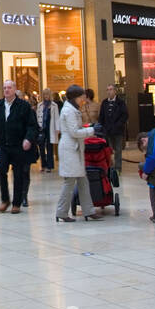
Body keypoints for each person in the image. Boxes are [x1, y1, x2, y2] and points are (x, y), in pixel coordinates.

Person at [55, 85, 105, 222]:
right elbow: (74, 132)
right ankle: (61, 212)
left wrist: (89, 127)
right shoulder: (69, 111)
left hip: (74, 149)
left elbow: (76, 129)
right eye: (81, 96)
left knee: (83, 182)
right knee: (69, 182)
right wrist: (92, 131)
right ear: (76, 97)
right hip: (70, 150)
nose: (83, 99)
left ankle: (88, 211)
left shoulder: (72, 109)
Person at [0, 78, 39, 213]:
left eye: (9, 88)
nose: (6, 90)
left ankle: (16, 203)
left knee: (18, 174)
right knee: (0, 171)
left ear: (14, 89)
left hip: (18, 146)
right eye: (5, 88)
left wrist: (28, 139)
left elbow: (32, 126)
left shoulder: (23, 106)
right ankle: (5, 199)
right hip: (4, 146)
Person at [98, 84, 128, 169]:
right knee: (108, 150)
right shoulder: (104, 102)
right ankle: (110, 167)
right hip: (107, 131)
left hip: (118, 130)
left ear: (115, 91)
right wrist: (102, 128)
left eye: (111, 89)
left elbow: (125, 115)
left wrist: (118, 125)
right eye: (107, 90)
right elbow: (101, 116)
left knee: (118, 150)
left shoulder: (120, 102)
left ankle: (118, 167)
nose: (109, 91)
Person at [36, 87, 60, 172]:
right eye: (44, 94)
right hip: (41, 128)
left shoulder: (54, 105)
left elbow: (57, 118)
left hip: (50, 127)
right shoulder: (40, 105)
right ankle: (43, 165)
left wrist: (57, 128)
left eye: (47, 94)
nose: (46, 96)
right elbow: (37, 116)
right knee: (41, 147)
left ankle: (49, 166)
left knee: (49, 147)